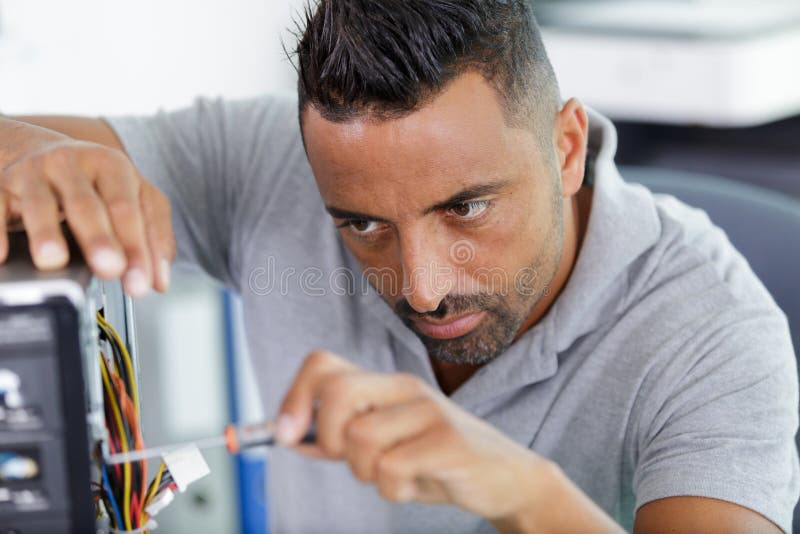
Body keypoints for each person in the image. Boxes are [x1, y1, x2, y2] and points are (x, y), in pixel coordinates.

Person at [0, 1, 797, 532]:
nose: (422, 287)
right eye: (362, 224)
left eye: (467, 208)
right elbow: (27, 156)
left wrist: (523, 492)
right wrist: (29, 155)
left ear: (565, 148)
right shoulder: (264, 162)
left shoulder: (714, 335)